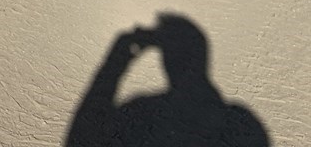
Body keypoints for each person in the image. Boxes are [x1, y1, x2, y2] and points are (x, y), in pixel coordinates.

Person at [65, 13, 269, 147]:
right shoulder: (242, 125)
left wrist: (115, 64)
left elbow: (81, 140)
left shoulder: (141, 115)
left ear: (165, 60)